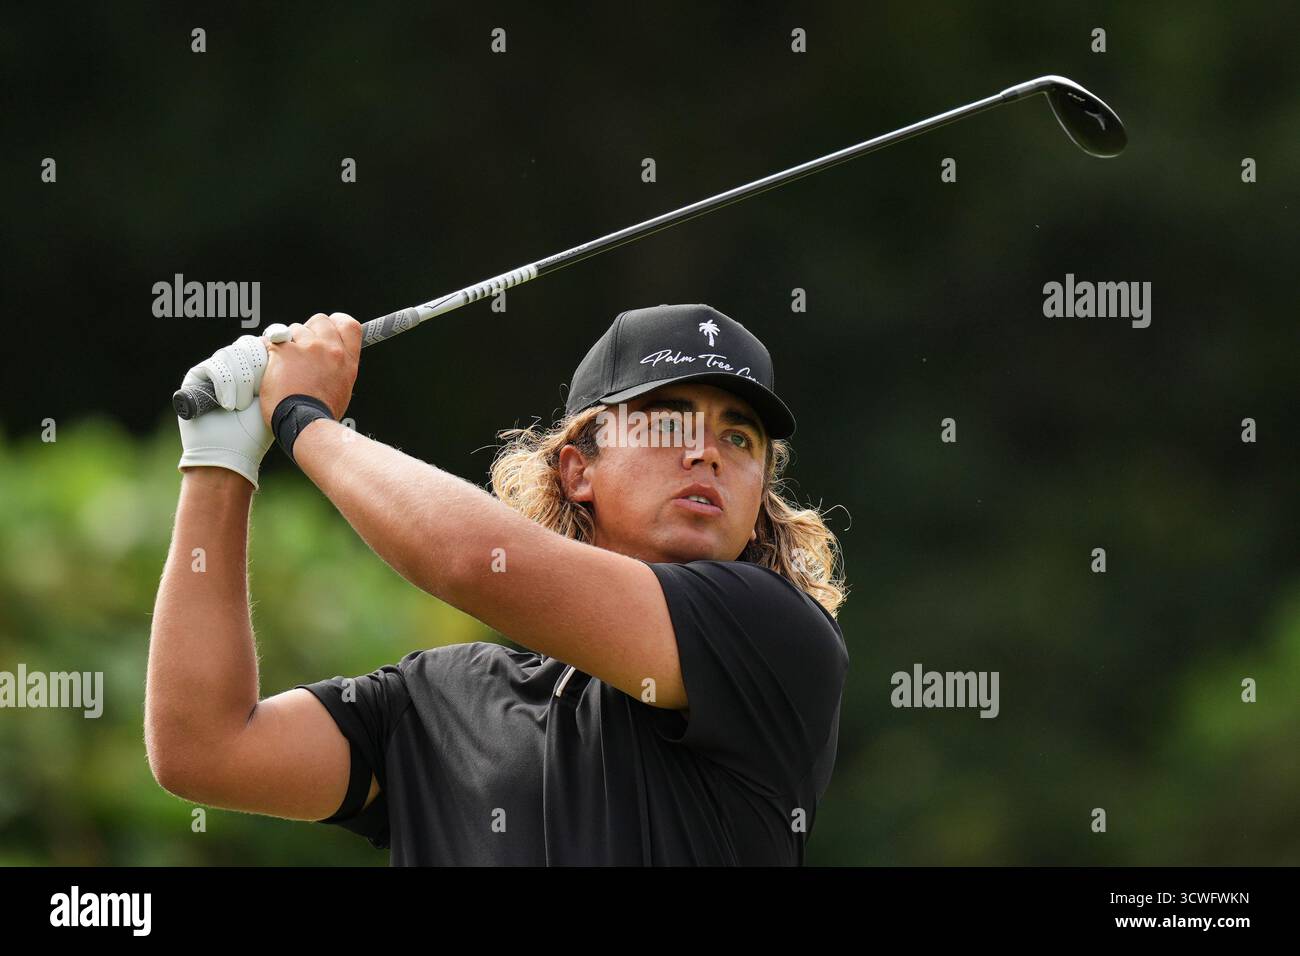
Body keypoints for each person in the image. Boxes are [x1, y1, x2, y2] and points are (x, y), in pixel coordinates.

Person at [146, 302, 850, 865]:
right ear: (579, 470)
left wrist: (302, 419)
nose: (706, 452)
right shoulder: (439, 702)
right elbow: (204, 748)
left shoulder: (776, 635)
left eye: (740, 437)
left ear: (760, 490)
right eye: (668, 420)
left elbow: (468, 559)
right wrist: (219, 456)